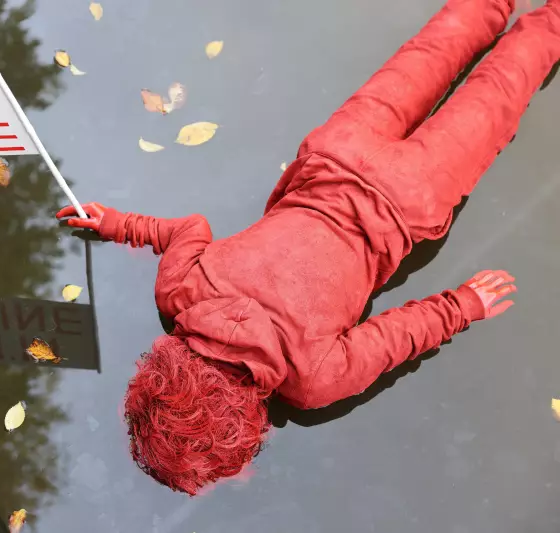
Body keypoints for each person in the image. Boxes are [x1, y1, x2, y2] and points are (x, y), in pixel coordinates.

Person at [57, 0, 556, 495]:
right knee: (431, 53)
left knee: (500, 88)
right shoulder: (181, 294)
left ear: (245, 426)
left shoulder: (311, 379)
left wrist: (462, 306)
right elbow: (189, 228)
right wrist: (118, 224)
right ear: (154, 376)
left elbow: (395, 336)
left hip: (411, 196)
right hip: (338, 151)